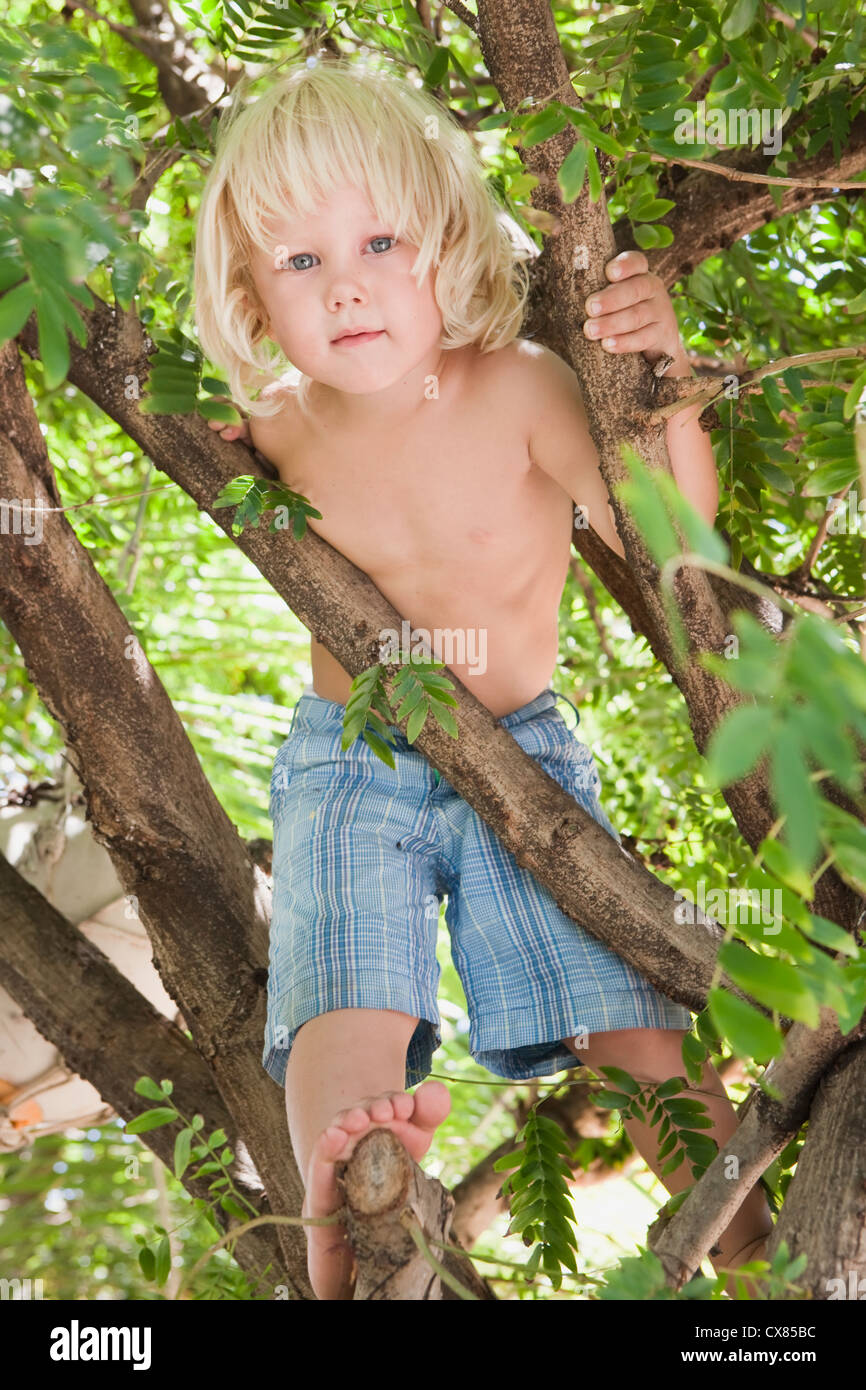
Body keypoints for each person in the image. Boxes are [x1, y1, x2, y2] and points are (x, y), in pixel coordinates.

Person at [194, 54, 773, 1300]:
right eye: (299, 262)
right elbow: (225, 431)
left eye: (378, 242)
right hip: (351, 760)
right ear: (251, 293)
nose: (344, 286)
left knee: (635, 1033)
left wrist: (664, 379)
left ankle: (755, 1266)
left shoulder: (521, 389)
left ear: (447, 242)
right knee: (340, 1001)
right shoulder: (277, 426)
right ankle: (352, 1215)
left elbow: (670, 534)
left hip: (524, 751)